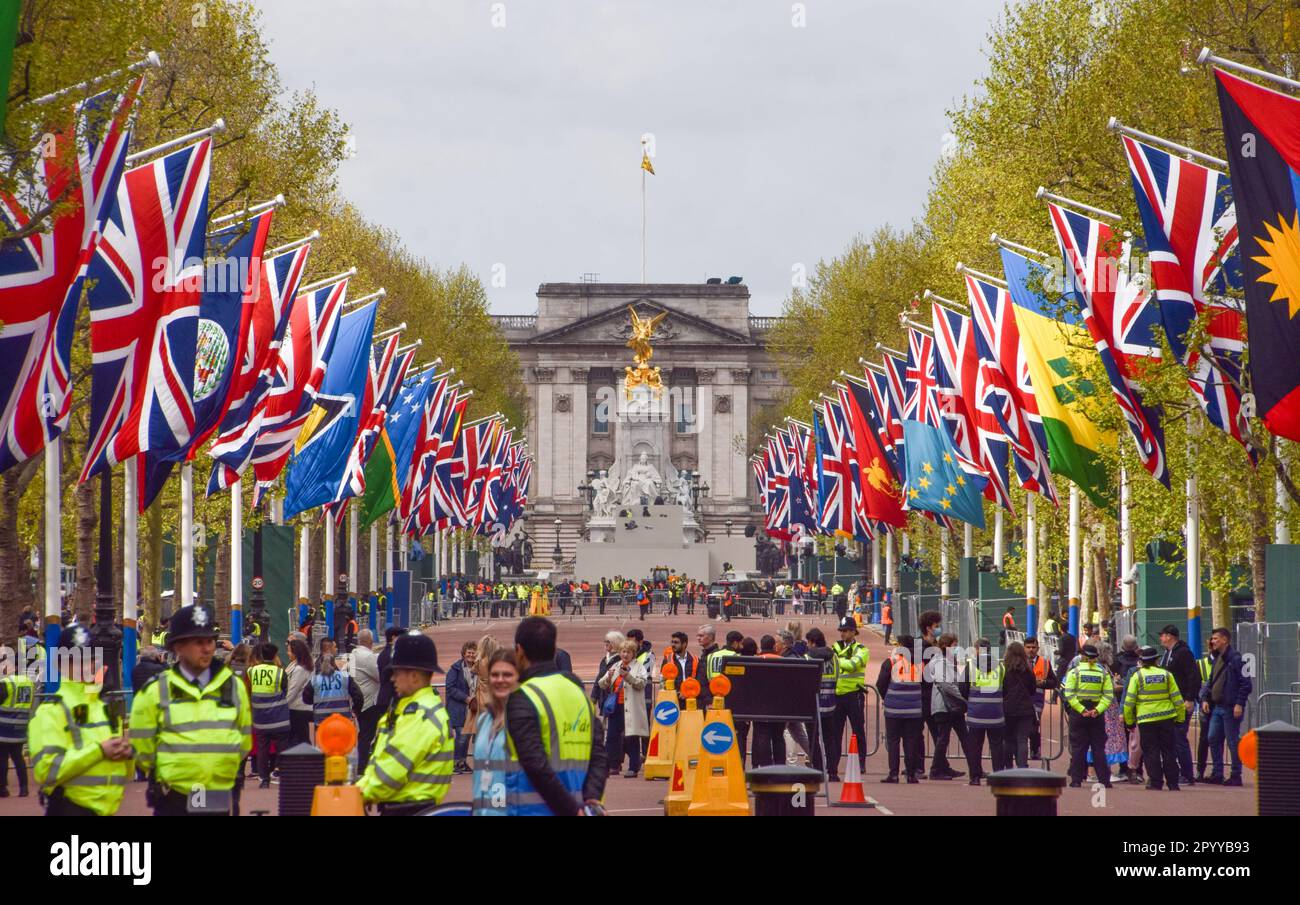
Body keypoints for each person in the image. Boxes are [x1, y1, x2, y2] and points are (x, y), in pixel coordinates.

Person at [130, 604, 252, 815]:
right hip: (173, 795)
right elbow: (142, 747)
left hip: (217, 792)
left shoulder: (233, 687)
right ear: (178, 647)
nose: (207, 649)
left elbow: (244, 740)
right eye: (198, 642)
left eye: (210, 641)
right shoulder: (155, 691)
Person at [27, 624, 133, 815]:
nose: (86, 666)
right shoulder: (51, 712)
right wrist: (99, 751)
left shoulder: (104, 708)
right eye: (75, 661)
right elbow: (47, 771)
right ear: (59, 664)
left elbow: (124, 774)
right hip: (70, 809)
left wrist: (127, 755)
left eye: (91, 659)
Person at [507, 617, 607, 815]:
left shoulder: (523, 697)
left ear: (519, 650)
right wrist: (590, 799)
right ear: (554, 651)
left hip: (534, 811)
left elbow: (535, 764)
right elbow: (599, 754)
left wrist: (570, 810)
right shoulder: (578, 694)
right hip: (581, 806)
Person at [357, 632, 455, 814]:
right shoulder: (421, 709)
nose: (392, 678)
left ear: (414, 676)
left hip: (406, 810)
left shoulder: (418, 716)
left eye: (397, 672)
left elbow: (391, 772)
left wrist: (358, 794)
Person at [1123, 645, 1185, 791]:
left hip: (1146, 720)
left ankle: (1156, 782)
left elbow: (1129, 702)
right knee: (1169, 751)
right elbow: (1177, 699)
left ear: (1142, 661)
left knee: (1151, 752)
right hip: (1167, 718)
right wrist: (1180, 718)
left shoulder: (1137, 676)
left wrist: (1130, 721)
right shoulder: (1166, 675)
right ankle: (1173, 783)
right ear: (1157, 660)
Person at [1199, 627, 1251, 787]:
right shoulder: (1216, 658)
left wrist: (1239, 703)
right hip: (1217, 706)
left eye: (1216, 639)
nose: (1212, 641)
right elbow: (1211, 680)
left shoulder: (1236, 659)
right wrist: (1206, 698)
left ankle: (1236, 774)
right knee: (1213, 737)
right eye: (1212, 638)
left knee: (1233, 741)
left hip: (1230, 707)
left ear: (1225, 640)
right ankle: (1218, 772)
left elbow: (1246, 683)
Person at [471, 649, 521, 815]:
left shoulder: (524, 720)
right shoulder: (484, 720)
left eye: (507, 675)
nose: (500, 680)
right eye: (495, 674)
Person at [1060, 643, 1113, 789]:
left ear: (1083, 656)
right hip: (1097, 712)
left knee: (1078, 747)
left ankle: (1076, 779)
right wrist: (1097, 710)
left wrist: (1081, 709)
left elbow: (1069, 694)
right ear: (1096, 658)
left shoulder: (1074, 672)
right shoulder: (1103, 673)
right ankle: (1104, 780)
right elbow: (1108, 695)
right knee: (1098, 747)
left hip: (1079, 713)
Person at [1157, 624, 1202, 785]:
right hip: (1171, 702)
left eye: (1162, 635)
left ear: (1169, 636)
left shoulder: (1183, 653)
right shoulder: (1167, 653)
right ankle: (1179, 771)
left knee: (1179, 737)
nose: (1161, 638)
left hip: (1182, 701)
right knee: (1174, 737)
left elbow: (1193, 676)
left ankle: (1187, 774)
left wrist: (1190, 699)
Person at [826, 616, 869, 783]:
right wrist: (842, 660)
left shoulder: (862, 649)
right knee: (835, 733)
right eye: (841, 631)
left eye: (845, 631)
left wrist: (837, 659)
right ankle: (833, 765)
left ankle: (861, 763)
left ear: (853, 631)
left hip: (854, 694)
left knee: (858, 731)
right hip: (837, 695)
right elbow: (844, 663)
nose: (842, 634)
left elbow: (853, 665)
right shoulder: (834, 647)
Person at [599, 639, 649, 777]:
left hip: (631, 708)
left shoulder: (639, 667)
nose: (625, 654)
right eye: (623, 651)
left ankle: (633, 767)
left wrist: (628, 676)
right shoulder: (615, 665)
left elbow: (641, 683)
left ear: (634, 653)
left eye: (628, 652)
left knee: (631, 738)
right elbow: (602, 684)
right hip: (616, 707)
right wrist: (608, 678)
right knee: (611, 737)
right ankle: (613, 766)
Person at [877, 636, 923, 783]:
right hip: (914, 708)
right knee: (911, 741)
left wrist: (886, 697)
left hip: (894, 707)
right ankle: (910, 774)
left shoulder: (891, 661)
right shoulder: (920, 663)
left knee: (893, 741)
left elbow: (880, 684)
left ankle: (894, 773)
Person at [247, 643, 290, 789]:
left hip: (259, 717)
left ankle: (264, 779)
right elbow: (285, 689)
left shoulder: (252, 671)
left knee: (262, 749)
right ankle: (280, 773)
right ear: (274, 655)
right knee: (282, 747)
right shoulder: (279, 672)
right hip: (278, 716)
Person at [964, 639, 1007, 785]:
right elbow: (1005, 688)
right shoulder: (1000, 667)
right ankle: (999, 777)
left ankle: (975, 777)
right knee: (996, 746)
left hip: (976, 713)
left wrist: (969, 702)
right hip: (995, 713)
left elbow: (962, 689)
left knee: (975, 746)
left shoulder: (970, 666)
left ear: (977, 649)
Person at [928, 633, 968, 780]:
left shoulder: (949, 661)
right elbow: (947, 685)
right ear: (946, 646)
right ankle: (935, 770)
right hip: (944, 705)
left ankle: (975, 769)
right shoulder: (940, 661)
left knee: (964, 738)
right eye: (954, 645)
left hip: (952, 706)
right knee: (943, 739)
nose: (956, 648)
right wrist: (962, 697)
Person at [303, 640, 363, 728]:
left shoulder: (315, 680)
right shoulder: (345, 677)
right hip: (343, 721)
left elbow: (306, 699)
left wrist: (318, 700)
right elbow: (358, 696)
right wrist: (355, 711)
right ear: (334, 663)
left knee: (324, 742)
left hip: (322, 723)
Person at [1000, 641, 1037, 769]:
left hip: (1007, 708)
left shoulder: (1004, 669)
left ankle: (1008, 766)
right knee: (1022, 740)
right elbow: (1033, 689)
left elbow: (1001, 689)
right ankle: (1022, 766)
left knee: (1007, 739)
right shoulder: (1028, 670)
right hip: (1025, 708)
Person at [351, 629, 383, 773]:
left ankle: (362, 764)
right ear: (370, 641)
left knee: (363, 733)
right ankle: (364, 766)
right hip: (370, 701)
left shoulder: (352, 655)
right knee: (369, 735)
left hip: (358, 700)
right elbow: (379, 676)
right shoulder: (368, 657)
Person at [0, 667, 35, 798]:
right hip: (20, 726)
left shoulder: (7, 682)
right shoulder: (28, 682)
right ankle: (24, 788)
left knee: (2, 758)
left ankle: (2, 788)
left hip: (4, 725)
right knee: (18, 757)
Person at [445, 641, 478, 774]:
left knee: (467, 737)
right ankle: (455, 762)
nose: (471, 655)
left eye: (473, 652)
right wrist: (466, 698)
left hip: (473, 709)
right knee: (461, 736)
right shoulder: (455, 669)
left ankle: (462, 762)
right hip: (458, 708)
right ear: (464, 654)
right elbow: (450, 687)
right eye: (468, 652)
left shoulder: (479, 668)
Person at [1024, 636, 1057, 761]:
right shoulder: (1018, 662)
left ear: (1038, 648)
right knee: (1021, 726)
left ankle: (1034, 750)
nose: (1031, 650)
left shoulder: (1044, 663)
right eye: (1028, 647)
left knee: (1034, 726)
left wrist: (1043, 683)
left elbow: (1054, 682)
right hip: (1021, 699)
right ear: (1024, 648)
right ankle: (1020, 750)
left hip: (1037, 700)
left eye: (1033, 647)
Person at [285, 637, 314, 747]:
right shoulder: (297, 665)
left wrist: (283, 706)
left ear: (295, 652)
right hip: (298, 707)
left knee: (300, 738)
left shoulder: (299, 669)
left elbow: (293, 690)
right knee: (302, 737)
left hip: (297, 708)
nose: (287, 653)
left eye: (289, 651)